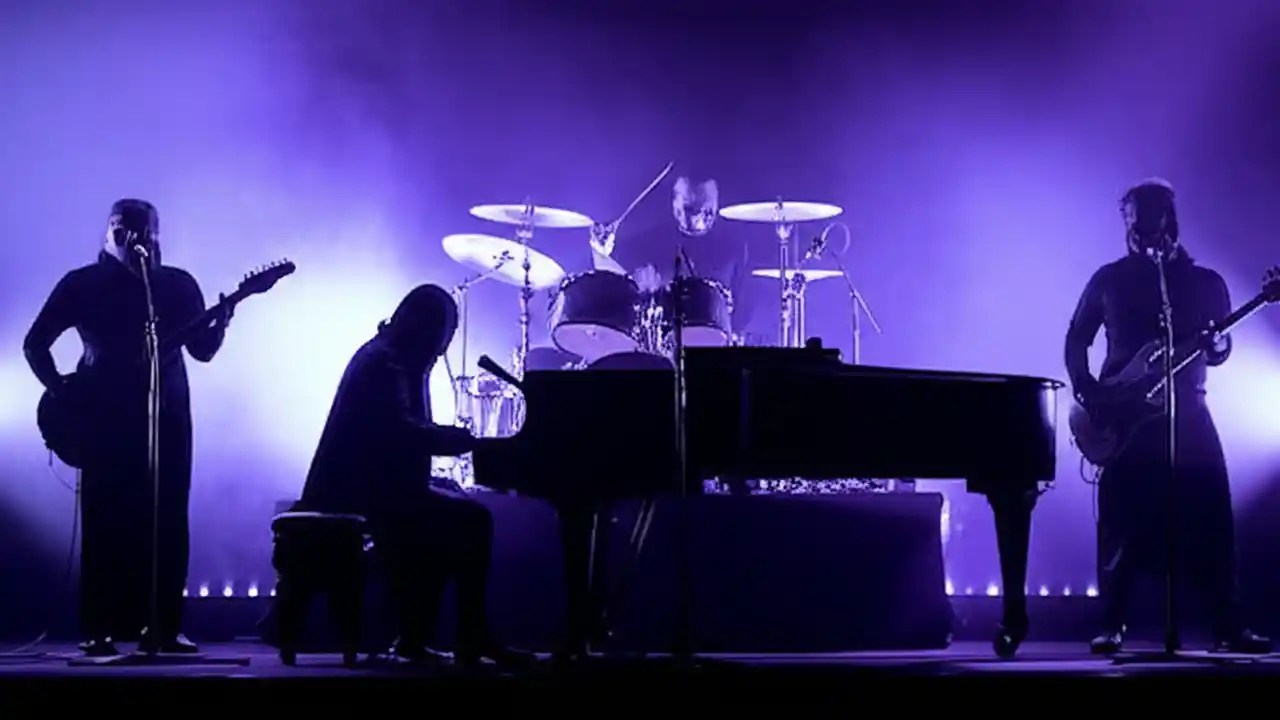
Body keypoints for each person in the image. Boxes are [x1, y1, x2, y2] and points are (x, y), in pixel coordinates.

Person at [1064, 178, 1270, 654]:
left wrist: (1218, 345)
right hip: (1123, 416)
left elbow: (1220, 350)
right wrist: (1088, 390)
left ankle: (1227, 623)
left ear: (1167, 216)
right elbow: (1077, 338)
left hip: (1189, 410)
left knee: (1212, 514)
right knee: (1121, 520)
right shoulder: (1108, 279)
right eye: (1131, 219)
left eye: (1147, 216)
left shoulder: (1204, 283)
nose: (1137, 228)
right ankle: (1112, 622)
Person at [23, 199, 231, 657]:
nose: (136, 239)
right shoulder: (81, 284)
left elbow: (202, 351)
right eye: (123, 229)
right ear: (109, 232)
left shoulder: (176, 285)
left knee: (169, 518)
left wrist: (221, 324)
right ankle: (99, 627)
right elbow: (35, 342)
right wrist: (61, 392)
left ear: (157, 236)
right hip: (104, 419)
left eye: (146, 232)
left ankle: (164, 625)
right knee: (105, 520)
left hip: (169, 418)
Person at [298, 284, 527, 668]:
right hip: (356, 496)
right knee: (473, 520)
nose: (443, 350)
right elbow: (399, 431)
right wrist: (459, 440)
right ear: (426, 328)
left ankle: (415, 638)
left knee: (448, 515)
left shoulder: (387, 355)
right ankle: (466, 636)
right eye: (444, 337)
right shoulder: (389, 364)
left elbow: (393, 440)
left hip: (363, 487)